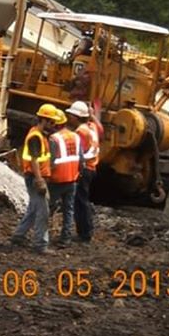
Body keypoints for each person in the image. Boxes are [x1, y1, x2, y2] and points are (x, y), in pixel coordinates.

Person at [11, 103, 56, 253]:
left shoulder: (40, 135)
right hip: (34, 177)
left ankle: (18, 235)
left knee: (34, 208)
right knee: (43, 211)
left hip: (35, 176)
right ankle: (40, 244)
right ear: (44, 120)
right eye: (52, 121)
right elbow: (34, 160)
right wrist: (40, 180)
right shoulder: (35, 137)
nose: (53, 125)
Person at [47, 106, 82, 247]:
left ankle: (43, 237)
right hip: (72, 179)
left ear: (55, 123)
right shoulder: (76, 136)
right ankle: (66, 238)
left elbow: (51, 162)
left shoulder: (54, 139)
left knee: (48, 209)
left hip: (56, 180)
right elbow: (81, 159)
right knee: (68, 210)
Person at [69, 100, 102, 242]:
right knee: (82, 200)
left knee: (80, 201)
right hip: (91, 168)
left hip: (84, 168)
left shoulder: (80, 131)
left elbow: (79, 153)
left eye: (71, 115)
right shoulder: (92, 127)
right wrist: (93, 115)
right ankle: (86, 231)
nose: (69, 117)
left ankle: (84, 233)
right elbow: (100, 129)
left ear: (76, 117)